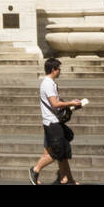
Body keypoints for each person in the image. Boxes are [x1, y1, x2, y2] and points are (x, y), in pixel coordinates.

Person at [31, 57, 84, 186]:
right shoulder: (48, 83)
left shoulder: (50, 83)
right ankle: (35, 169)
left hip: (53, 121)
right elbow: (54, 103)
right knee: (58, 152)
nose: (60, 71)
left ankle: (67, 179)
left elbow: (56, 104)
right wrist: (71, 102)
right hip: (52, 123)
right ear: (54, 70)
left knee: (63, 150)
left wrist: (71, 106)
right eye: (59, 69)